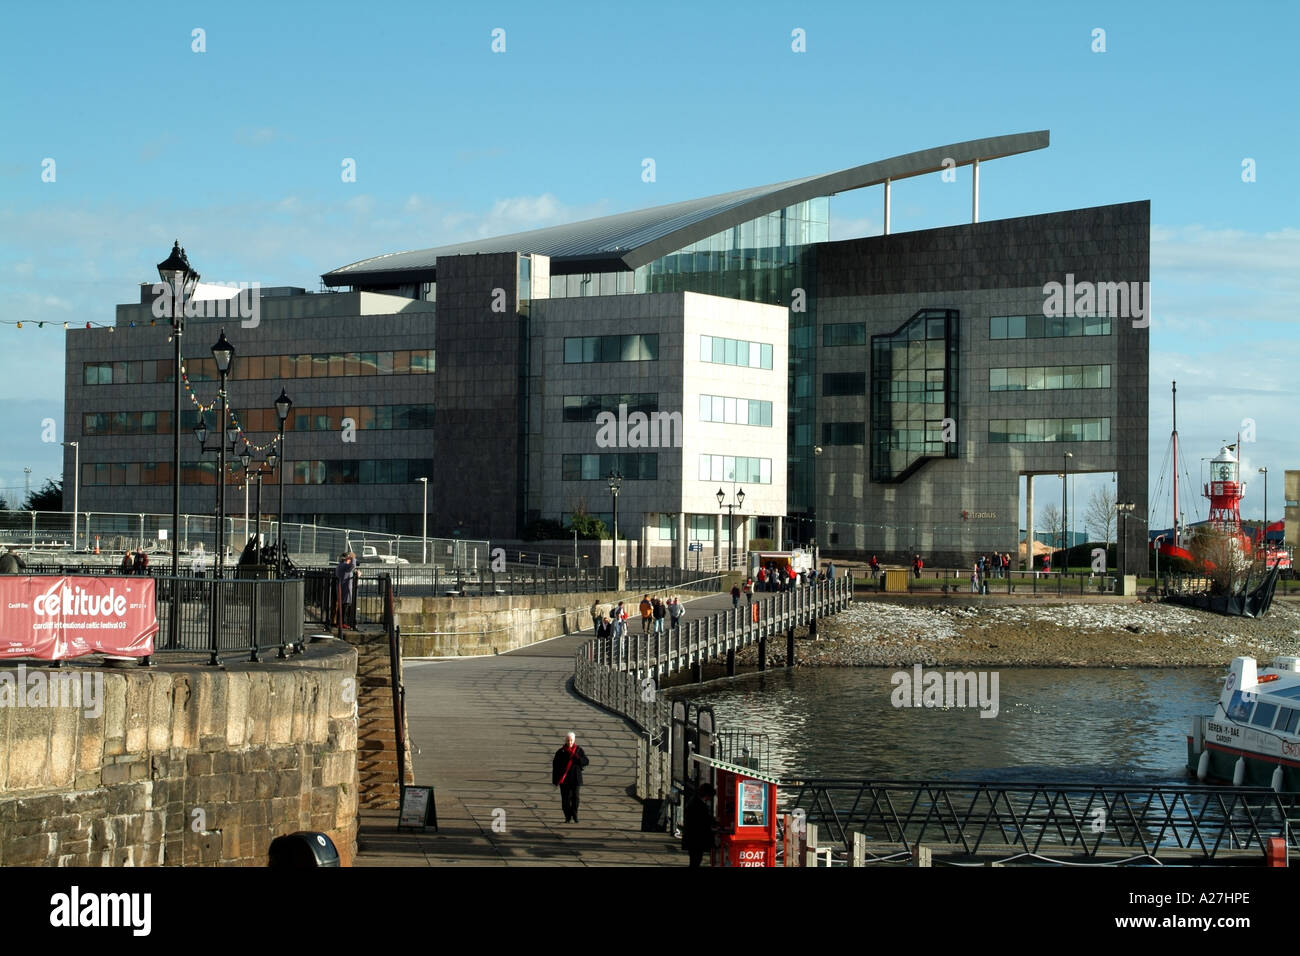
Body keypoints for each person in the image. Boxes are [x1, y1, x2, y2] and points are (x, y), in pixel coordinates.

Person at [552, 732, 589, 823]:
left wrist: (578, 758)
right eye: (568, 740)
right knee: (566, 799)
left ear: (574, 740)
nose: (570, 742)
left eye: (571, 740)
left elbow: (586, 761)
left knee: (576, 798)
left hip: (576, 778)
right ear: (565, 741)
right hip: (564, 779)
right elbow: (555, 766)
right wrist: (555, 780)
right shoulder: (560, 752)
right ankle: (567, 817)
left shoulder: (579, 750)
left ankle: (575, 815)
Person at [682, 782, 717, 867]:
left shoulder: (694, 801)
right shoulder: (698, 804)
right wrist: (714, 822)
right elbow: (703, 819)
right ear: (706, 795)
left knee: (695, 860)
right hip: (696, 838)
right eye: (709, 796)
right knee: (696, 860)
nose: (709, 799)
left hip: (693, 837)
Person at [335, 551, 356, 628]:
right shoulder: (344, 566)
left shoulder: (341, 566)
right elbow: (352, 566)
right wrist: (353, 557)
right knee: (345, 606)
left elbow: (350, 569)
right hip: (345, 588)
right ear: (347, 559)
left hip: (342, 587)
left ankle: (340, 622)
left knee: (343, 606)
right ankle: (342, 623)